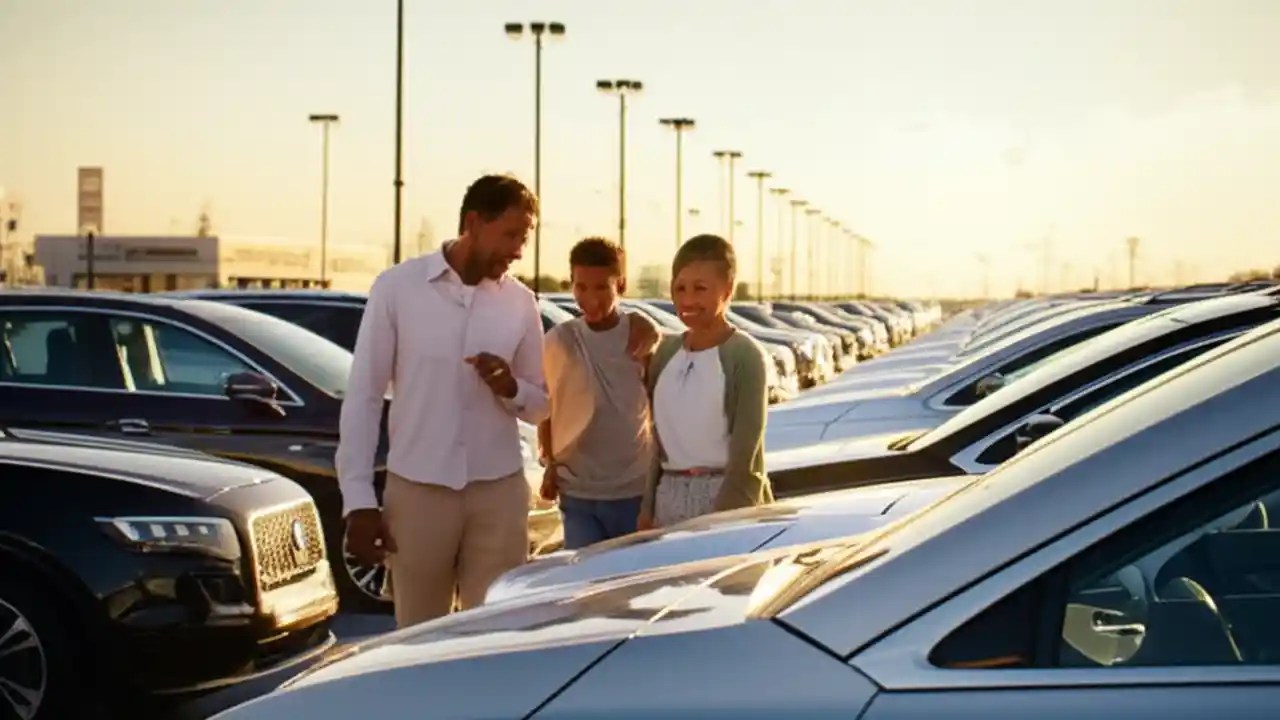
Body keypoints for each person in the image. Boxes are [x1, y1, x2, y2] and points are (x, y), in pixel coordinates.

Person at [336, 174, 548, 629]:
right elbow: (364, 397)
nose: (518, 250)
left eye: (524, 238)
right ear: (473, 221)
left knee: (497, 635)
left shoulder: (520, 303)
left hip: (500, 492)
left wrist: (510, 387)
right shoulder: (397, 288)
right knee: (418, 636)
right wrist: (357, 501)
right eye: (511, 235)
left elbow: (540, 404)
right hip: (418, 492)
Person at [638, 234, 774, 529]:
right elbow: (654, 445)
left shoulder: (746, 356)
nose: (687, 299)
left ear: (727, 290)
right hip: (669, 501)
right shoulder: (664, 353)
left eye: (700, 289)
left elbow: (745, 454)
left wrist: (725, 518)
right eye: (680, 288)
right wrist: (648, 507)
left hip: (726, 501)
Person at [539, 237, 661, 549]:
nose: (590, 298)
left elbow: (658, 408)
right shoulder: (561, 340)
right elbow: (547, 405)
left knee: (626, 585)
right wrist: (550, 464)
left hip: (632, 489)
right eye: (581, 287)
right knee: (583, 588)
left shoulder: (640, 339)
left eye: (601, 288)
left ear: (620, 285)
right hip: (578, 490)